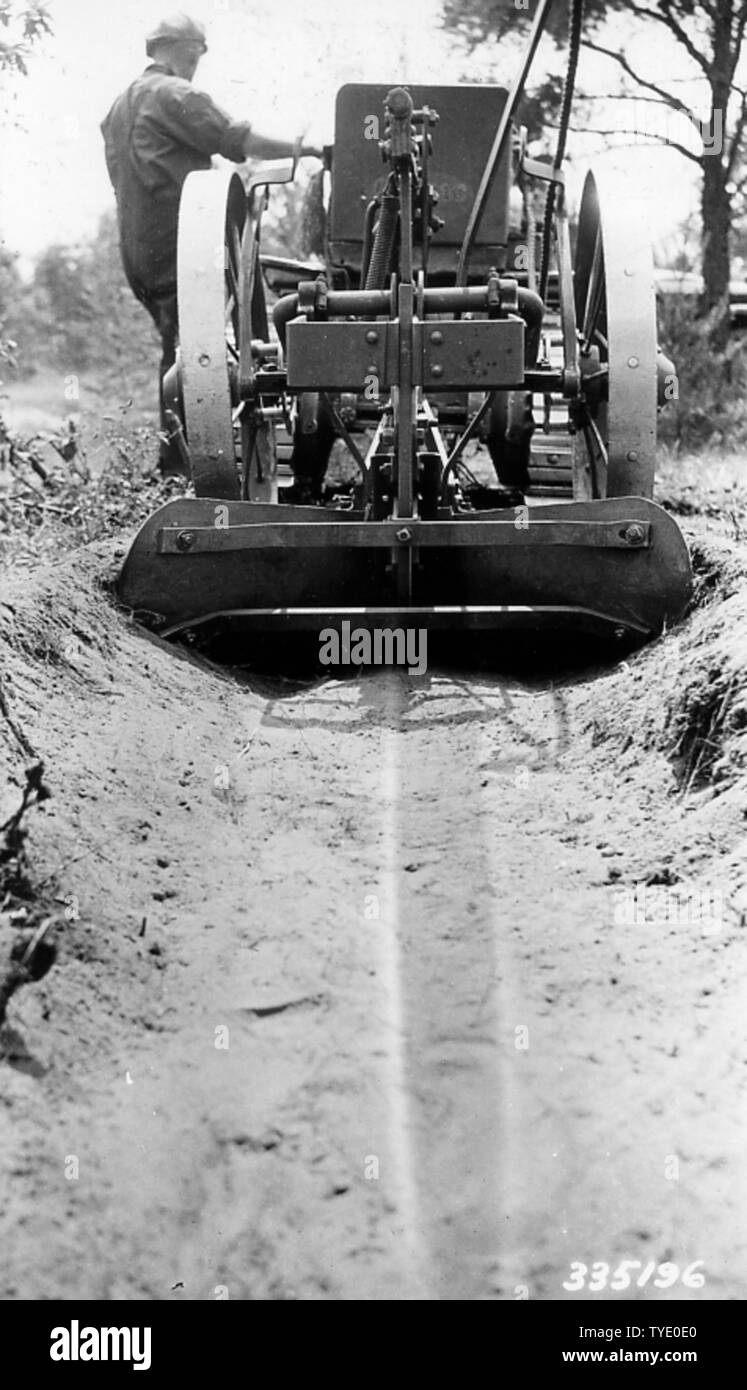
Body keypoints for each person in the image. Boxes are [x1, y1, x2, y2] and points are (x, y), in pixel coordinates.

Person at [102, 12, 318, 477]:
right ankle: (199, 462)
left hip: (139, 251)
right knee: (199, 350)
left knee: (177, 345)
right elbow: (238, 139)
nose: (199, 61)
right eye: (199, 52)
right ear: (188, 49)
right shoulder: (175, 95)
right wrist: (309, 150)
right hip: (183, 244)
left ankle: (174, 458)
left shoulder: (120, 105)